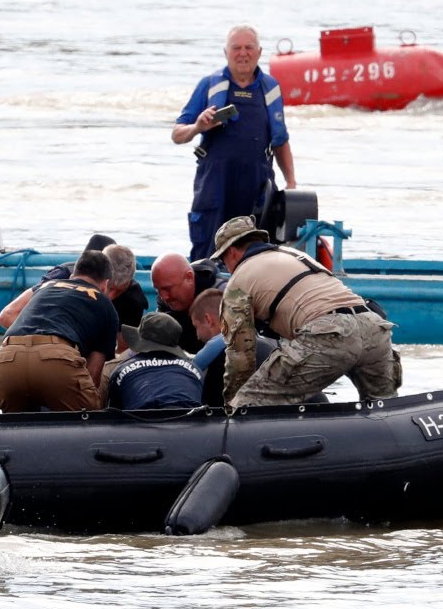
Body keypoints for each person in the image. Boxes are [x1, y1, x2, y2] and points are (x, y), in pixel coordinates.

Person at [211, 216, 399, 408]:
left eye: (223, 260)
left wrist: (231, 403)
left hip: (330, 335)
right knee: (385, 408)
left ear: (231, 252)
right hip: (373, 327)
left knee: (247, 403)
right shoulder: (295, 255)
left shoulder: (238, 281)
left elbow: (240, 357)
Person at [172, 25, 297, 260]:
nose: (243, 53)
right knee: (206, 255)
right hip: (214, 186)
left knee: (256, 257)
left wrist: (291, 183)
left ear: (259, 52)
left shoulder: (270, 89)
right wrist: (198, 126)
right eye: (236, 48)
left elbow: (281, 140)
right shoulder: (209, 85)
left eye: (249, 47)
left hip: (257, 189)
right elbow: (177, 134)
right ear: (225, 52)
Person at [0, 250, 118, 412]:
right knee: (90, 409)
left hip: (6, 360)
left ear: (73, 275)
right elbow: (93, 375)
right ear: (105, 284)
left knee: (14, 421)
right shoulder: (104, 303)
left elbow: (6, 315)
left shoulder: (45, 286)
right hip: (57, 361)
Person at [0, 236, 148, 332]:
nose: (110, 296)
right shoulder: (62, 277)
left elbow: (121, 350)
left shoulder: (133, 298)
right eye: (109, 288)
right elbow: (7, 315)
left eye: (119, 291)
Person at [106, 313, 203, 410]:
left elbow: (114, 417)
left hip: (141, 421)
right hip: (190, 421)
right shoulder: (195, 371)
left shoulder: (120, 371)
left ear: (141, 341)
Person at [150, 253, 221, 353]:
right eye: (158, 290)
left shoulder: (222, 296)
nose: (164, 297)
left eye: (168, 289)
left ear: (189, 278)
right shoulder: (164, 303)